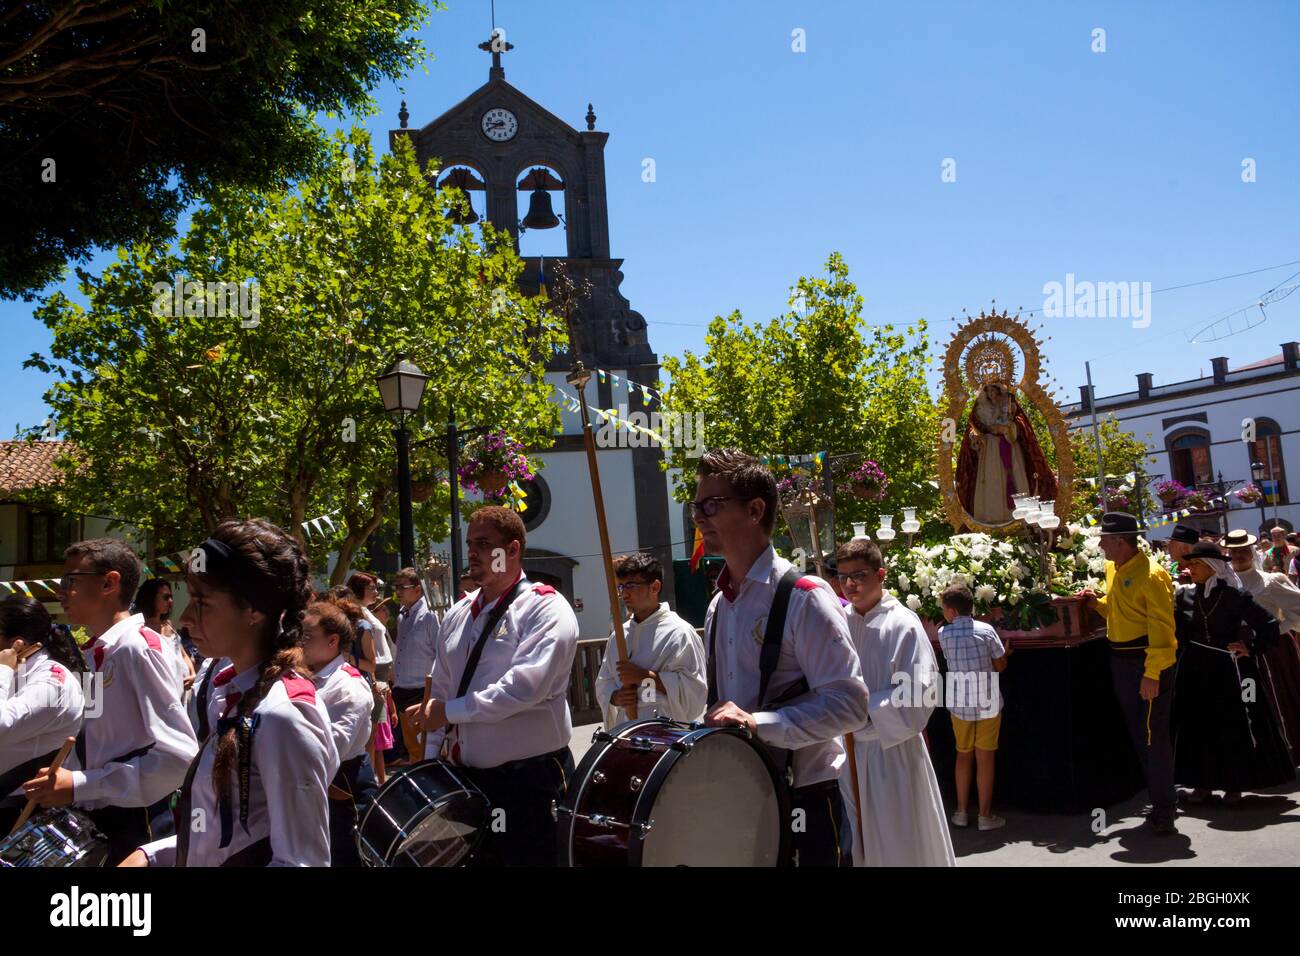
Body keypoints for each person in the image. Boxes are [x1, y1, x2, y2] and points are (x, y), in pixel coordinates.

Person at [121, 519, 338, 867]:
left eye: (202, 602)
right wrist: (150, 856)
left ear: (253, 610)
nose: (185, 618)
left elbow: (300, 861)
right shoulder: (230, 693)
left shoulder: (284, 715)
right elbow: (219, 831)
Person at [693, 448, 870, 867]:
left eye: (711, 505)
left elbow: (851, 705)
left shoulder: (804, 597)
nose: (699, 517)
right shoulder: (719, 605)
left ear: (755, 510)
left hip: (804, 797)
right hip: (741, 795)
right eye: (696, 505)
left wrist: (760, 724)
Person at [408, 506, 578, 867]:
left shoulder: (546, 608)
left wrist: (448, 712)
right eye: (470, 544)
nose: (472, 553)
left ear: (511, 550)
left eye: (484, 544)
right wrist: (429, 767)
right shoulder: (458, 613)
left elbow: (523, 688)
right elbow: (440, 689)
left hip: (528, 783)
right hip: (469, 783)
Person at [20, 539, 198, 865]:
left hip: (137, 822)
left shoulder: (138, 648)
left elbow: (176, 759)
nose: (60, 592)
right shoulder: (96, 653)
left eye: (70, 580)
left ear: (109, 583)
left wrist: (78, 784)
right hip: (101, 816)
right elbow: (93, 735)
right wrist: (64, 780)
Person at [835, 539, 954, 865]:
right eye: (843, 576)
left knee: (900, 843)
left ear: (881, 573)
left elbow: (921, 692)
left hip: (892, 754)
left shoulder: (903, 624)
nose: (849, 584)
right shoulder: (838, 622)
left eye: (858, 574)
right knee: (860, 846)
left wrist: (862, 710)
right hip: (849, 753)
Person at [1076, 512, 1179, 835]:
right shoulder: (1113, 569)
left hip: (1146, 662)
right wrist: (1096, 604)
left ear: (1120, 541)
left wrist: (1152, 674)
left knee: (1154, 737)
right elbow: (1120, 611)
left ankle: (1165, 810)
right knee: (1139, 735)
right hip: (1121, 660)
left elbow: (1162, 631)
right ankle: (1157, 801)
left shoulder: (1152, 575)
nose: (1101, 545)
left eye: (1105, 540)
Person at [1173, 541, 1294, 803]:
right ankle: (1202, 784)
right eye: (1190, 563)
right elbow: (1179, 634)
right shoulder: (1184, 596)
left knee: (1232, 725)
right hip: (1196, 669)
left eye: (1196, 564)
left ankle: (1234, 784)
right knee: (1199, 726)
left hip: (1230, 670)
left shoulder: (1234, 597)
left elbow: (1269, 625)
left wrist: (1250, 647)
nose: (1189, 568)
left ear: (1213, 567)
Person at [301, 599, 378, 867]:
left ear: (333, 641)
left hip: (343, 788)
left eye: (308, 636)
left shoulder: (348, 687)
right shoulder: (304, 676)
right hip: (316, 787)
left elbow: (330, 751)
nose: (300, 642)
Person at [0, 596, 87, 834]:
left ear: (16, 643)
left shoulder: (52, 683)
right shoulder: (19, 667)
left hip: (16, 810)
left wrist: (3, 670)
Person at [594, 551, 707, 730]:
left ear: (654, 587)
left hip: (667, 733)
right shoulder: (618, 636)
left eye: (630, 586)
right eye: (621, 587)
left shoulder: (680, 633)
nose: (624, 594)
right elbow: (603, 682)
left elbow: (695, 693)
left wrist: (645, 676)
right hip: (626, 731)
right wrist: (616, 696)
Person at [1223, 529, 1300, 764]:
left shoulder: (1270, 581)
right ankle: (1263, 752)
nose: (1240, 555)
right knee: (1250, 698)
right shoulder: (1225, 583)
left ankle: (1290, 749)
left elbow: (1297, 613)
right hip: (1241, 654)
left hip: (1272, 653)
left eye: (1244, 550)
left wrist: (1271, 633)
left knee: (1278, 697)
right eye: (1235, 551)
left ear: (1252, 552)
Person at [937, 584, 1008, 832]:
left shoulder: (944, 634)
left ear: (951, 611)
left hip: (960, 703)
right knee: (985, 758)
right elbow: (1000, 665)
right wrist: (1004, 654)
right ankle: (985, 816)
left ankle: (960, 812)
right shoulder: (987, 631)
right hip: (987, 700)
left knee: (963, 755)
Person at [955, 380, 1057, 525]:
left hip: (1010, 446)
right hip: (989, 450)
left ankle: (1021, 522)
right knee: (991, 482)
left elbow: (1021, 427)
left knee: (1016, 479)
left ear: (999, 390)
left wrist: (1008, 428)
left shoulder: (1009, 405)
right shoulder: (979, 411)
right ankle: (991, 522)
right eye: (988, 391)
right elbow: (973, 432)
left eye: (994, 390)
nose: (991, 394)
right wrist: (977, 436)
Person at [390, 567, 437, 767]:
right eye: (396, 587)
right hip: (402, 692)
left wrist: (430, 693)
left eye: (403, 587)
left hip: (421, 693)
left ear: (418, 589)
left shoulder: (430, 616)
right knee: (413, 750)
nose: (398, 592)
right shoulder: (402, 617)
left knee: (425, 749)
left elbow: (440, 654)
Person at [132, 578, 195, 697]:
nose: (170, 601)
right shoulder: (140, 628)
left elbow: (182, 654)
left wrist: (192, 674)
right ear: (150, 598)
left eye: (171, 597)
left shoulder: (168, 624)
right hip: (165, 692)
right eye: (165, 597)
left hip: (185, 689)